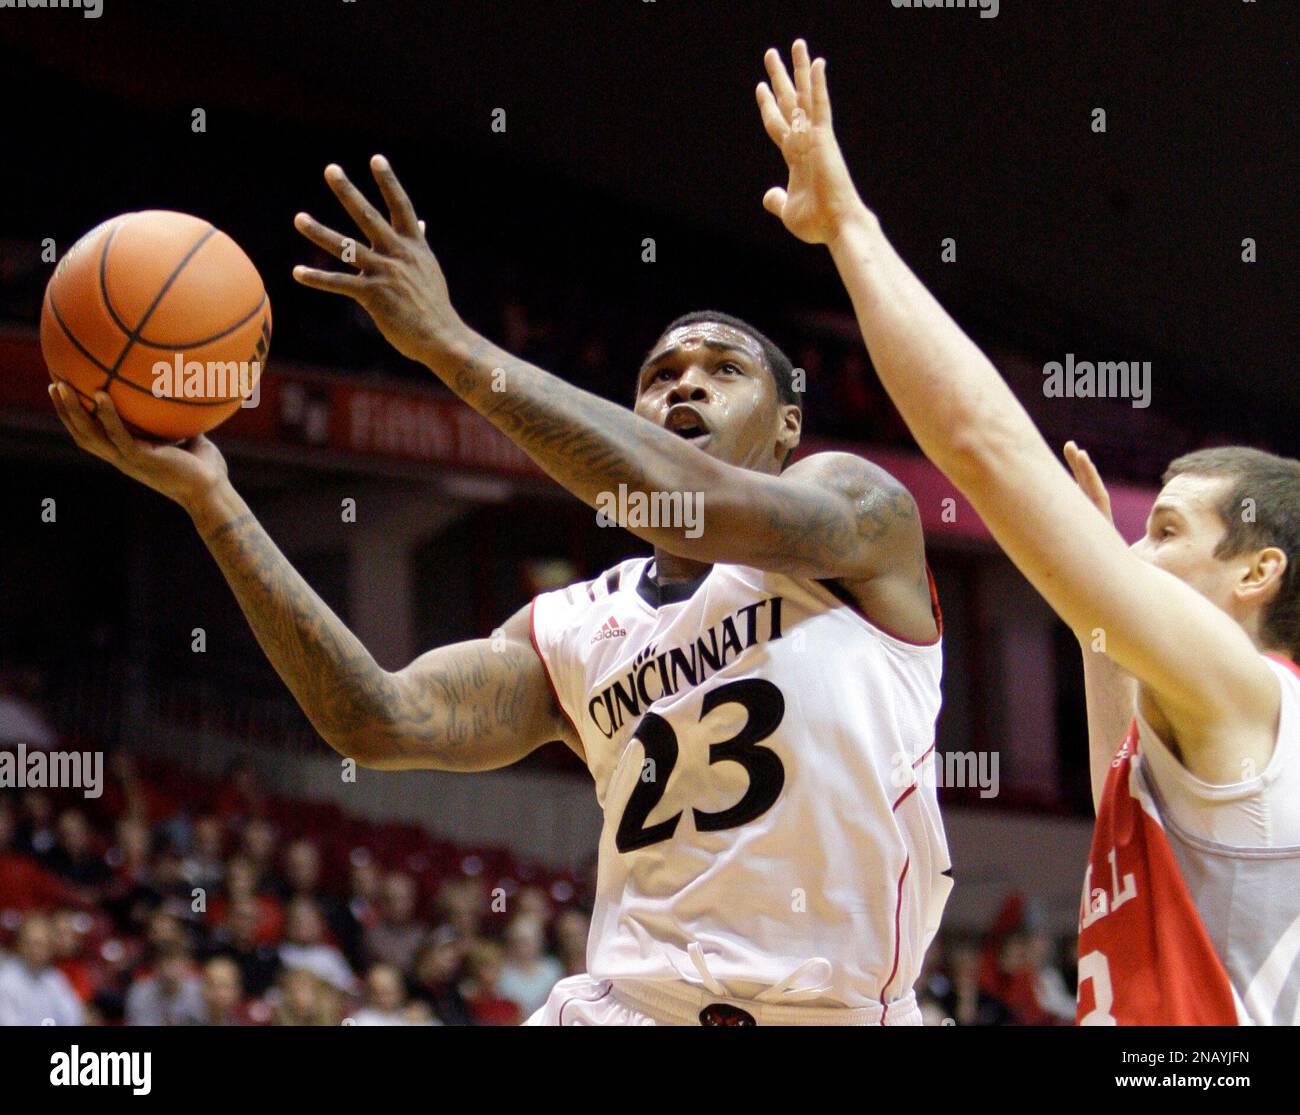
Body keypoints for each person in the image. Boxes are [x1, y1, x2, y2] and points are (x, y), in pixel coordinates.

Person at [46, 71, 950, 1031]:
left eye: (722, 370)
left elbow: (687, 504)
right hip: (626, 1009)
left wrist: (449, 344)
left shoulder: (855, 514)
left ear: (787, 426)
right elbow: (378, 720)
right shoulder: (575, 630)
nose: (684, 387)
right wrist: (216, 502)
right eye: (660, 376)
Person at [748, 39, 1300, 1023]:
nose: (1134, 556)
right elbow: (1116, 787)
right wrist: (1097, 613)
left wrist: (849, 228)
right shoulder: (1206, 739)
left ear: (1258, 571)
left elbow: (980, 444)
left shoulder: (1251, 693)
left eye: (1166, 531)